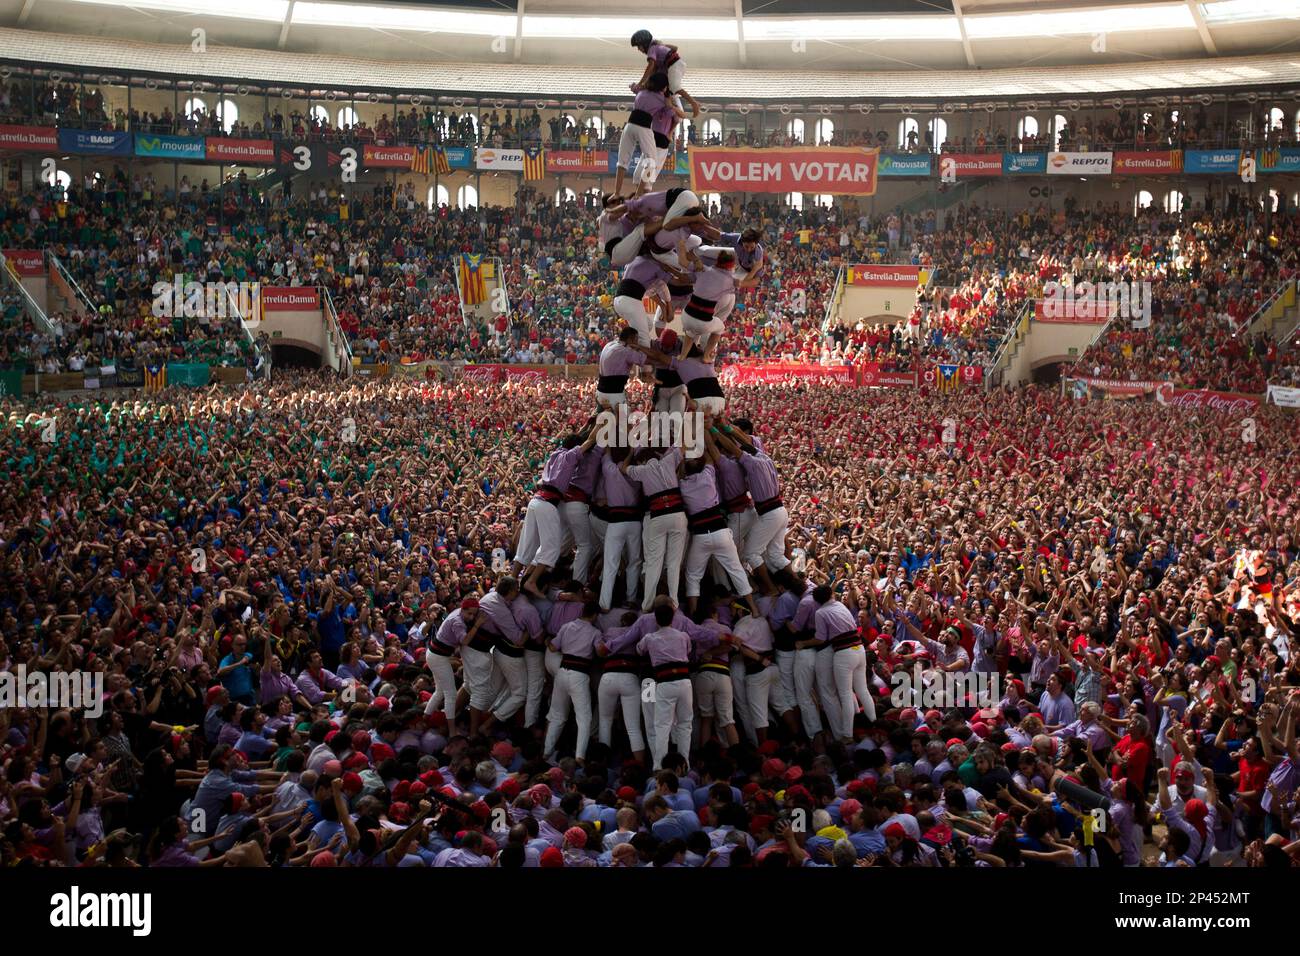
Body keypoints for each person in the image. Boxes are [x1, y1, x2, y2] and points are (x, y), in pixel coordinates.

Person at [543, 600, 603, 763]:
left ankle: (546, 753)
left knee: (557, 716)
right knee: (584, 718)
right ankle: (580, 756)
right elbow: (600, 652)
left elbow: (553, 648)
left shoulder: (566, 627)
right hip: (579, 675)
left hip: (562, 672)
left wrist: (547, 641)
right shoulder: (595, 632)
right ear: (595, 615)